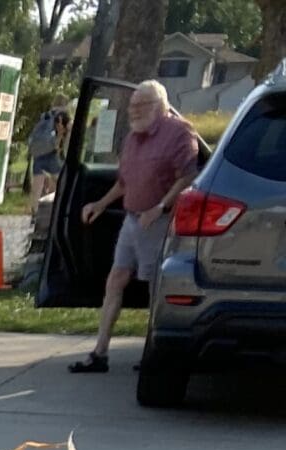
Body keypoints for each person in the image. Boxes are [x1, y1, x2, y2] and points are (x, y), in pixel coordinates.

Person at [69, 81, 202, 375]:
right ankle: (99, 352)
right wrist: (100, 204)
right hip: (131, 220)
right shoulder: (132, 137)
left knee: (156, 287)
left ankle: (154, 351)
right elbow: (124, 182)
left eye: (141, 105)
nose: (134, 111)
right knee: (115, 279)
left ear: (160, 105)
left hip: (160, 222)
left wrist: (161, 207)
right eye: (132, 106)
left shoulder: (179, 132)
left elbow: (189, 177)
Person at [28, 99, 66, 208]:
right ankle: (52, 210)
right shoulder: (60, 116)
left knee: (37, 187)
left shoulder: (44, 117)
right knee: (61, 184)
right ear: (64, 105)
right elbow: (61, 133)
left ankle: (34, 212)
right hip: (51, 155)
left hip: (38, 154)